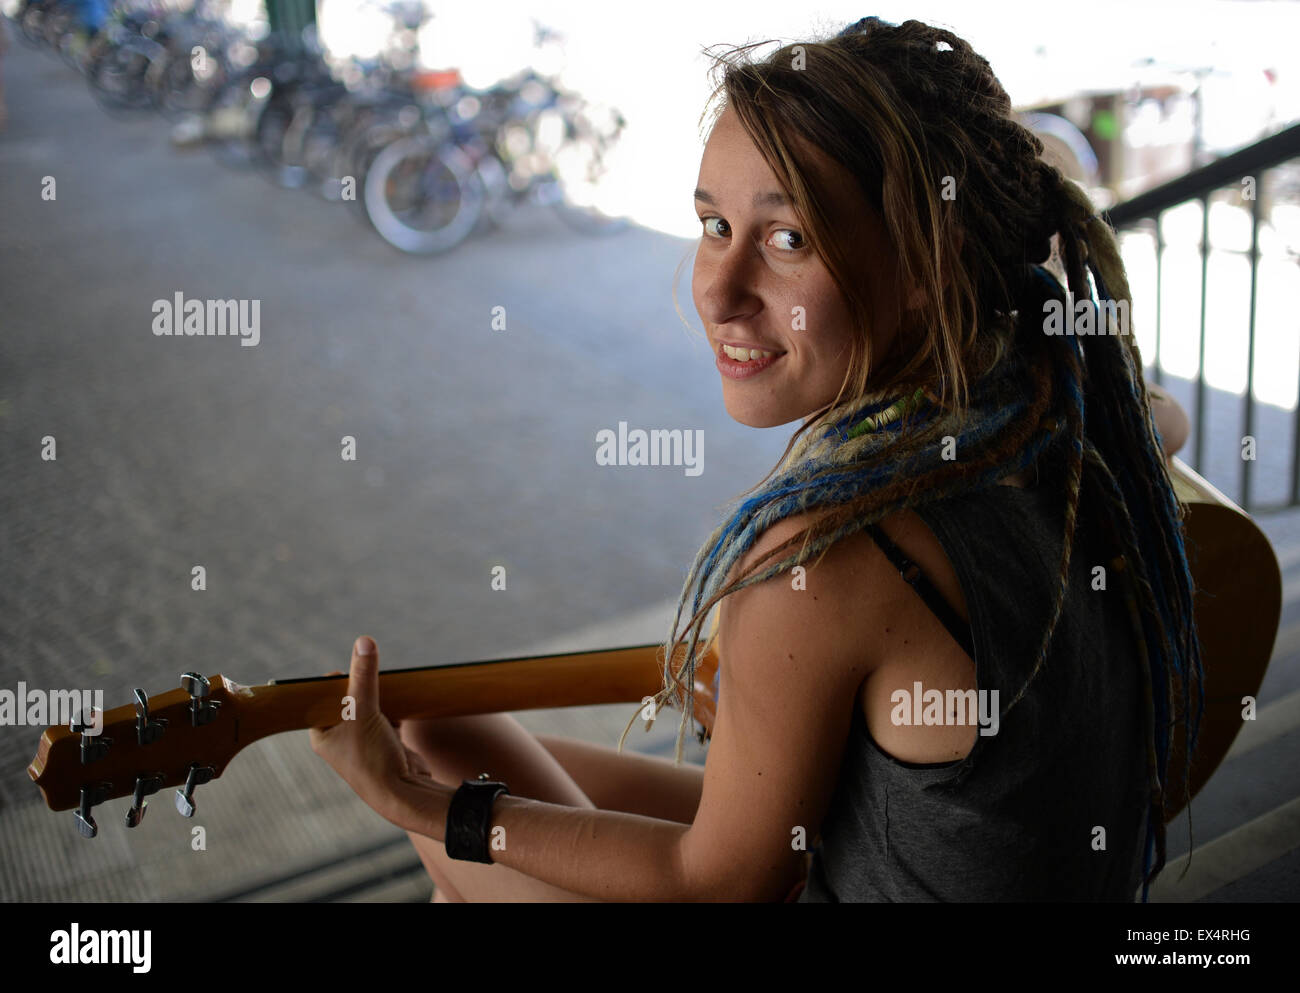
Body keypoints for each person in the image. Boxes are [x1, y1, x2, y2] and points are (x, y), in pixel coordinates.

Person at [308, 16, 1204, 902]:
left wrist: (409, 802)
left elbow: (719, 882)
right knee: (438, 730)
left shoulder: (824, 556)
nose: (718, 290)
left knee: (442, 817)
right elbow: (1165, 420)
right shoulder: (1072, 418)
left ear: (931, 265)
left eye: (788, 239)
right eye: (712, 223)